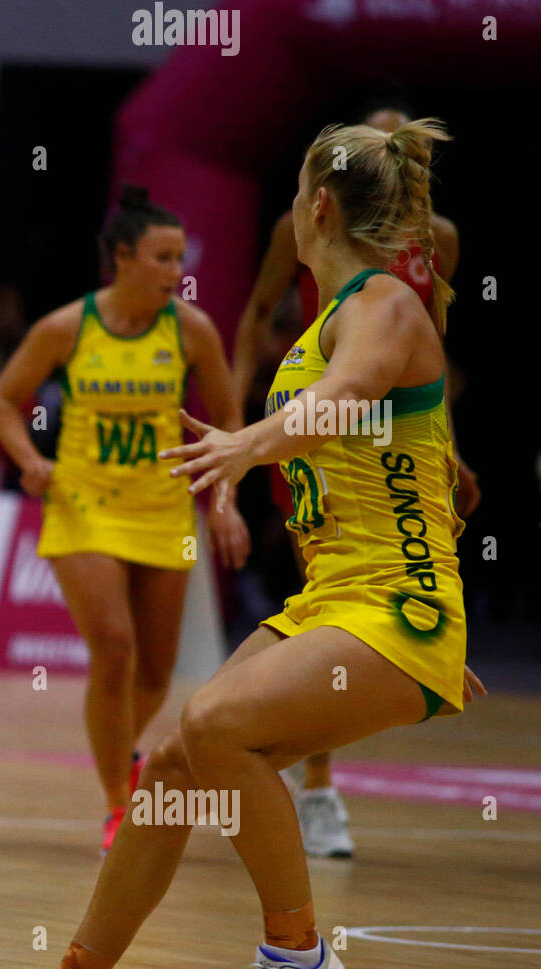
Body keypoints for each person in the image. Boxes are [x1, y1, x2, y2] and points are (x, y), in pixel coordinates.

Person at [0, 118, 483, 969]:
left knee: (215, 726)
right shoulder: (337, 312)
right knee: (170, 768)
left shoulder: (383, 306)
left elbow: (349, 396)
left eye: (293, 189)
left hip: (391, 612)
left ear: (317, 204)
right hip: (338, 604)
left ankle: (297, 956)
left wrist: (246, 446)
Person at [231, 105, 476, 858]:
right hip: (312, 419)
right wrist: (241, 422)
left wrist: (448, 452)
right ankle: (319, 783)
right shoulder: (298, 227)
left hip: (375, 424)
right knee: (323, 582)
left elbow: (423, 360)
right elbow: (255, 318)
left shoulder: (436, 247)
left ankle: (326, 776)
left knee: (379, 576)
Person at [0, 186, 250, 854]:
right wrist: (29, 460)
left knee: (157, 673)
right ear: (124, 259)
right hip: (83, 503)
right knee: (114, 647)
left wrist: (223, 502)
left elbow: (230, 422)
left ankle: (120, 753)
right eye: (163, 258)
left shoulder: (191, 330)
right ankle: (115, 802)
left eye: (180, 258)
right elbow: (3, 402)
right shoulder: (67, 327)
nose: (175, 271)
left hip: (162, 507)